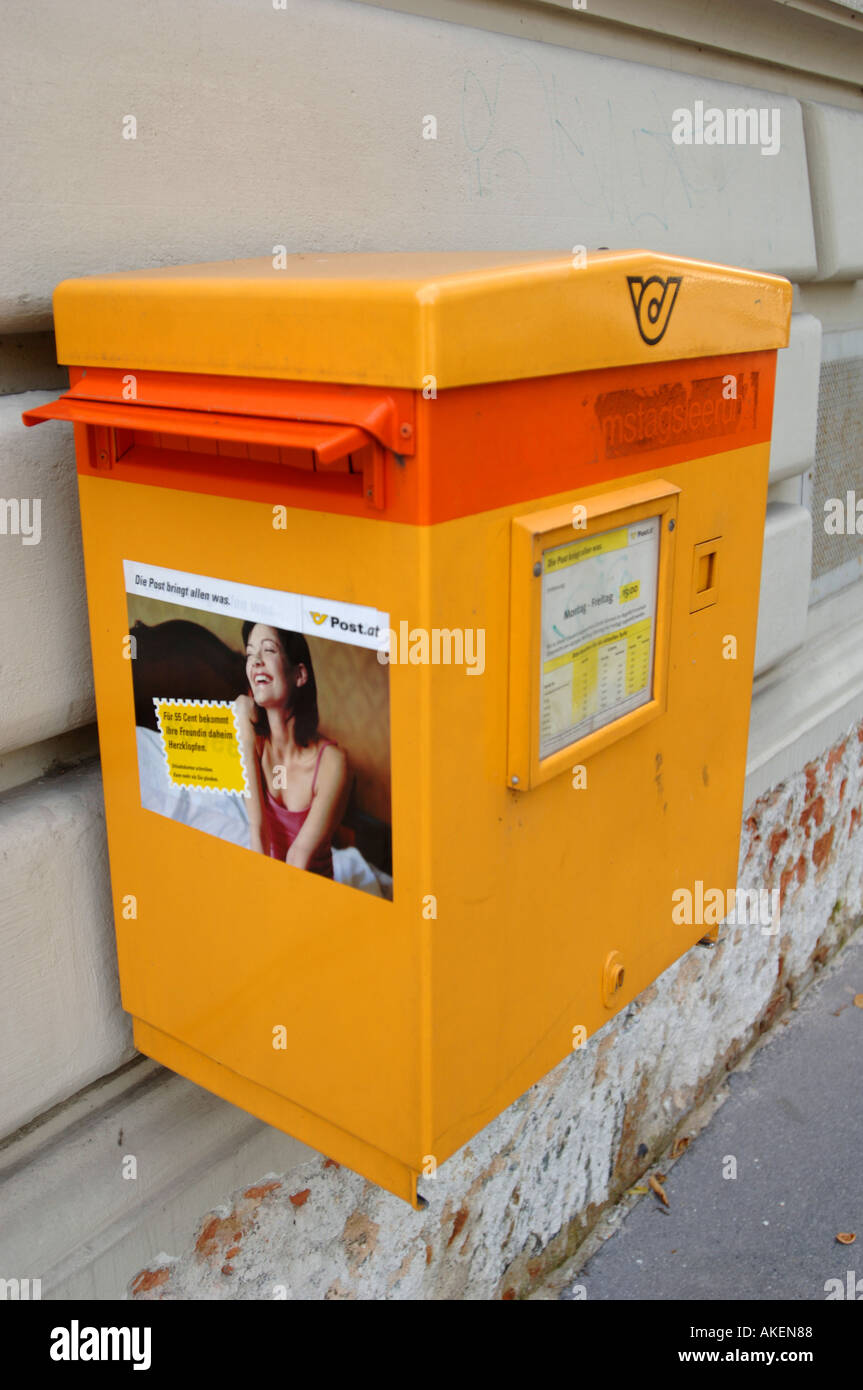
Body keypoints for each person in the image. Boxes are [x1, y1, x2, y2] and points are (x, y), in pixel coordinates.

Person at [235, 622, 350, 876]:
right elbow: (258, 830)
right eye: (250, 653)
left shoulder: (332, 762)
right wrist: (242, 718)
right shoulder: (253, 742)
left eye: (269, 650)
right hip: (268, 882)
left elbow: (298, 857)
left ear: (299, 674)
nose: (256, 661)